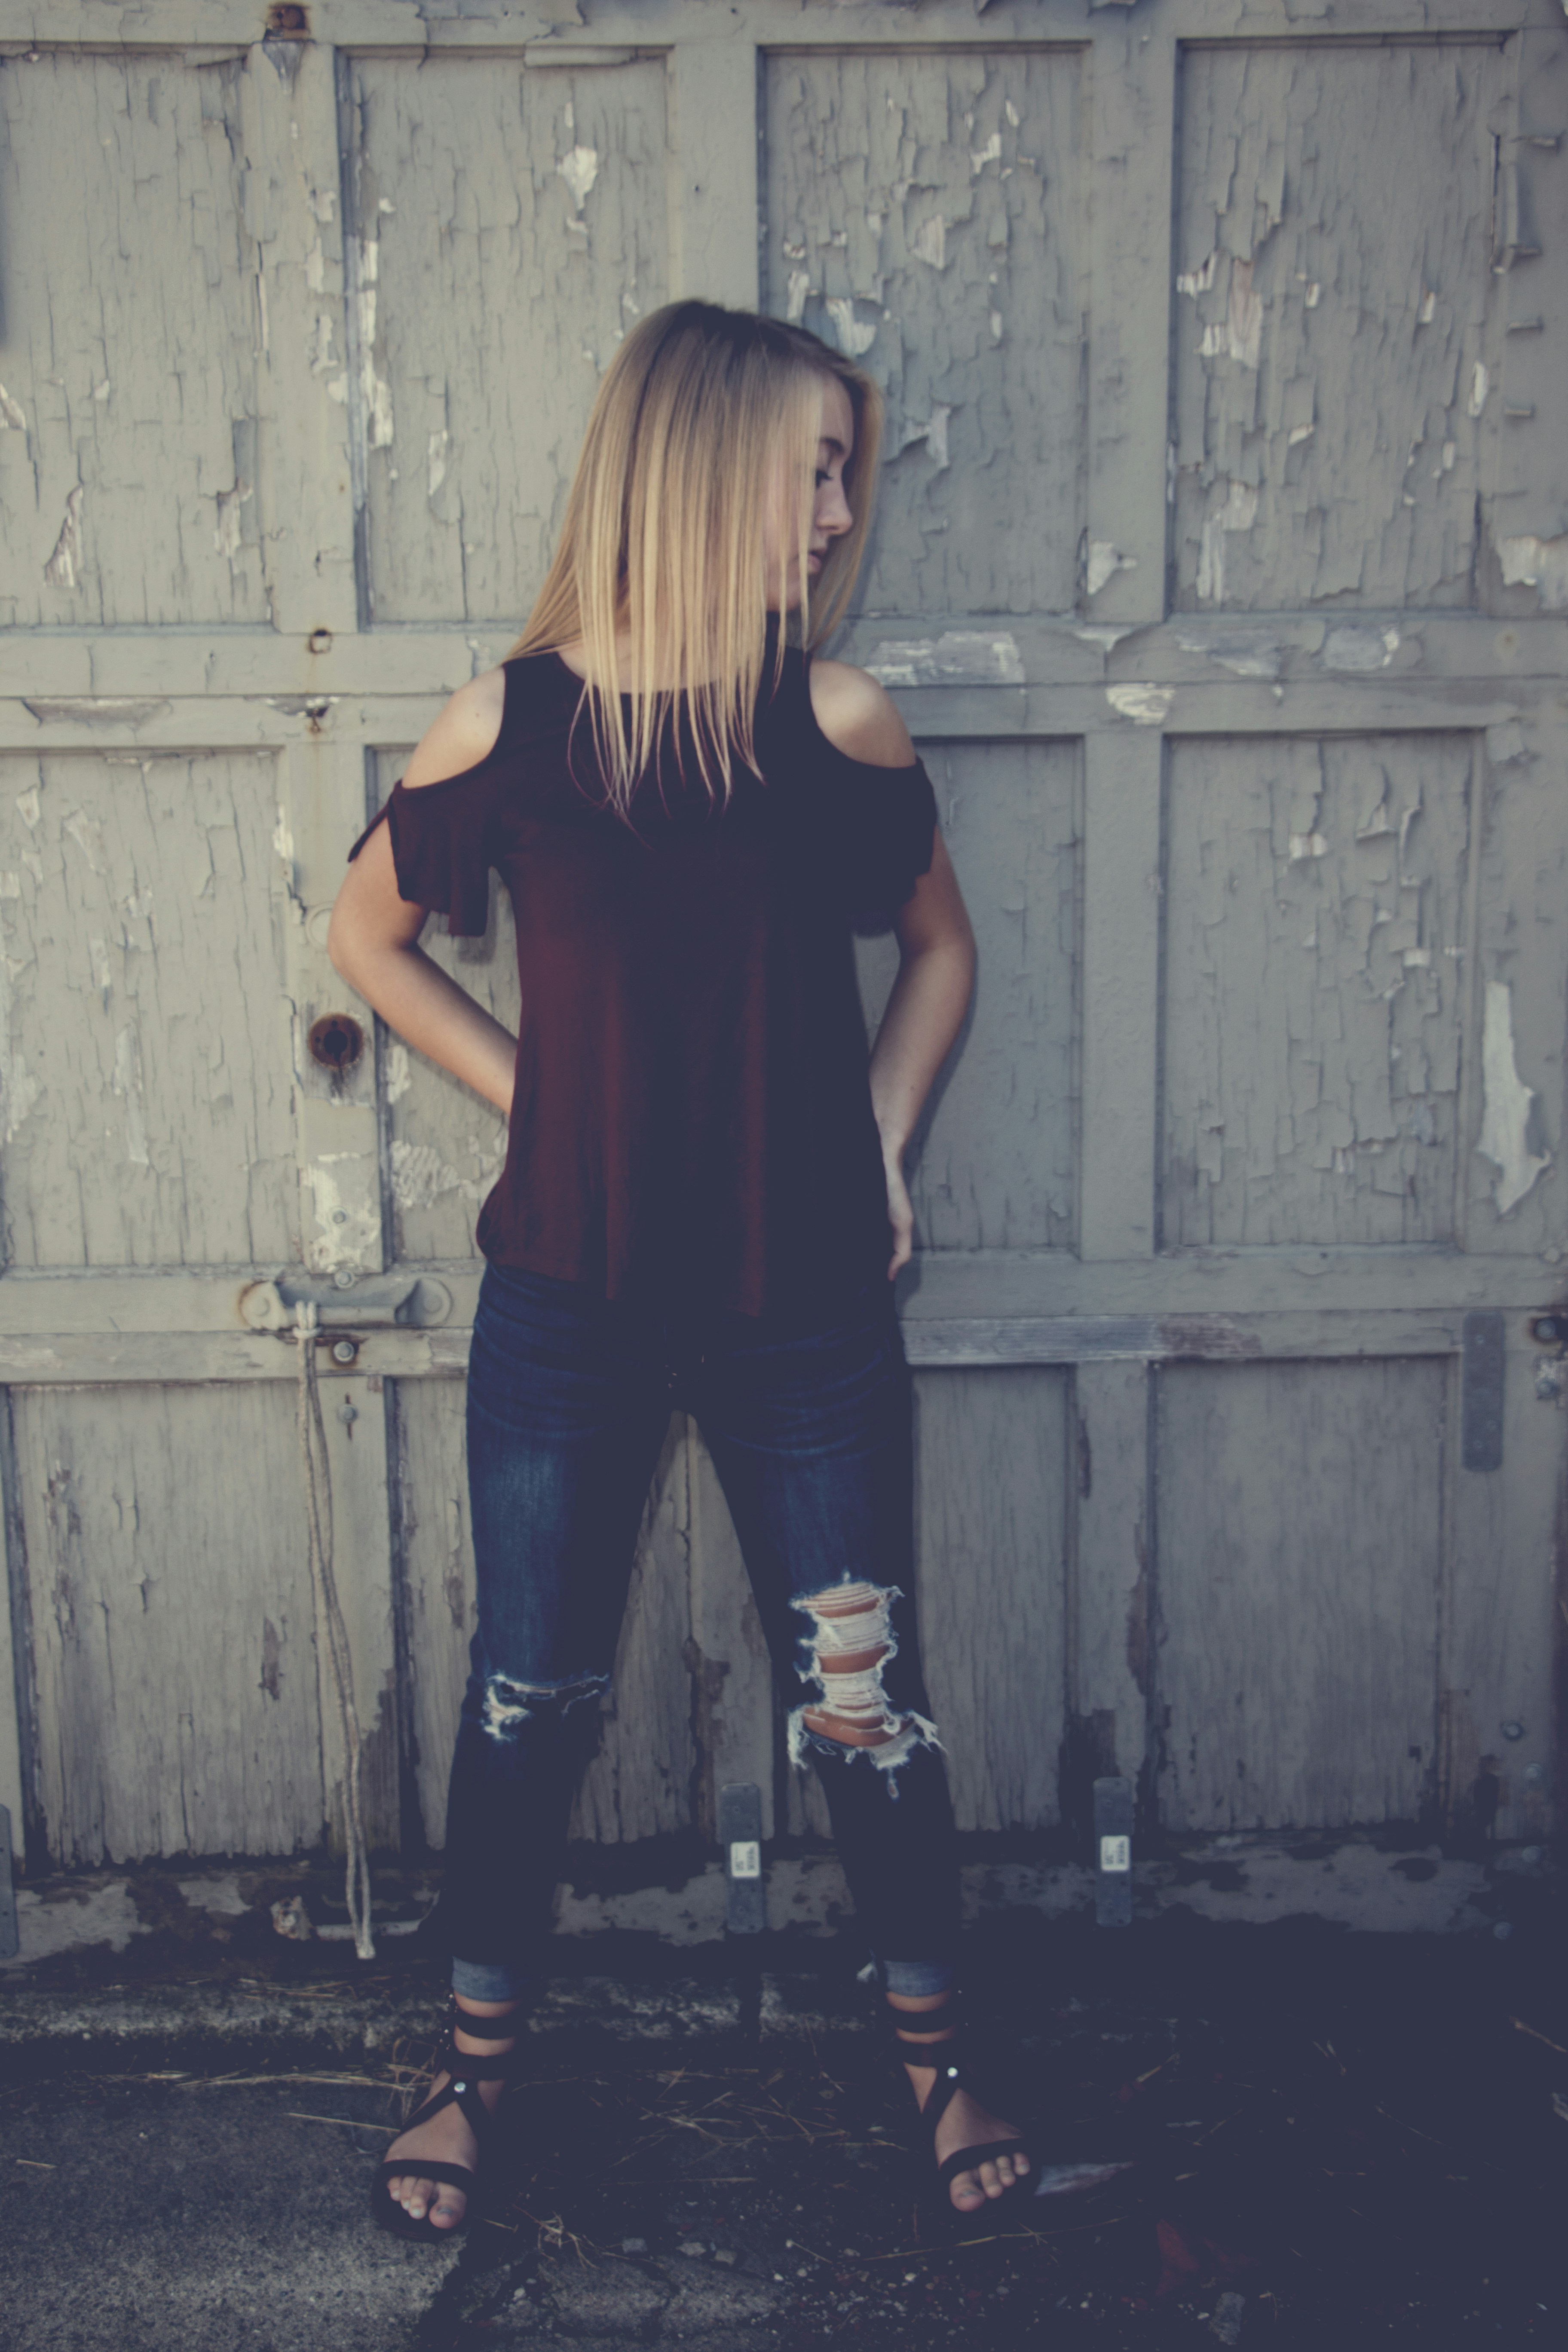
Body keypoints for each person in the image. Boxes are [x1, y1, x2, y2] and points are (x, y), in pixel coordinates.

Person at [327, 299, 1031, 2239]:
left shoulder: (837, 725)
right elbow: (365, 939)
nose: (838, 512)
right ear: (704, 465)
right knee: (528, 1698)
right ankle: (472, 2075)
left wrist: (880, 1127)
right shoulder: (516, 725)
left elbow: (942, 953)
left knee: (865, 1707)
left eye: (846, 477)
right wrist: (540, 1088)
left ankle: (938, 2062)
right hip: (569, 1301)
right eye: (815, 469)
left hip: (807, 1307)